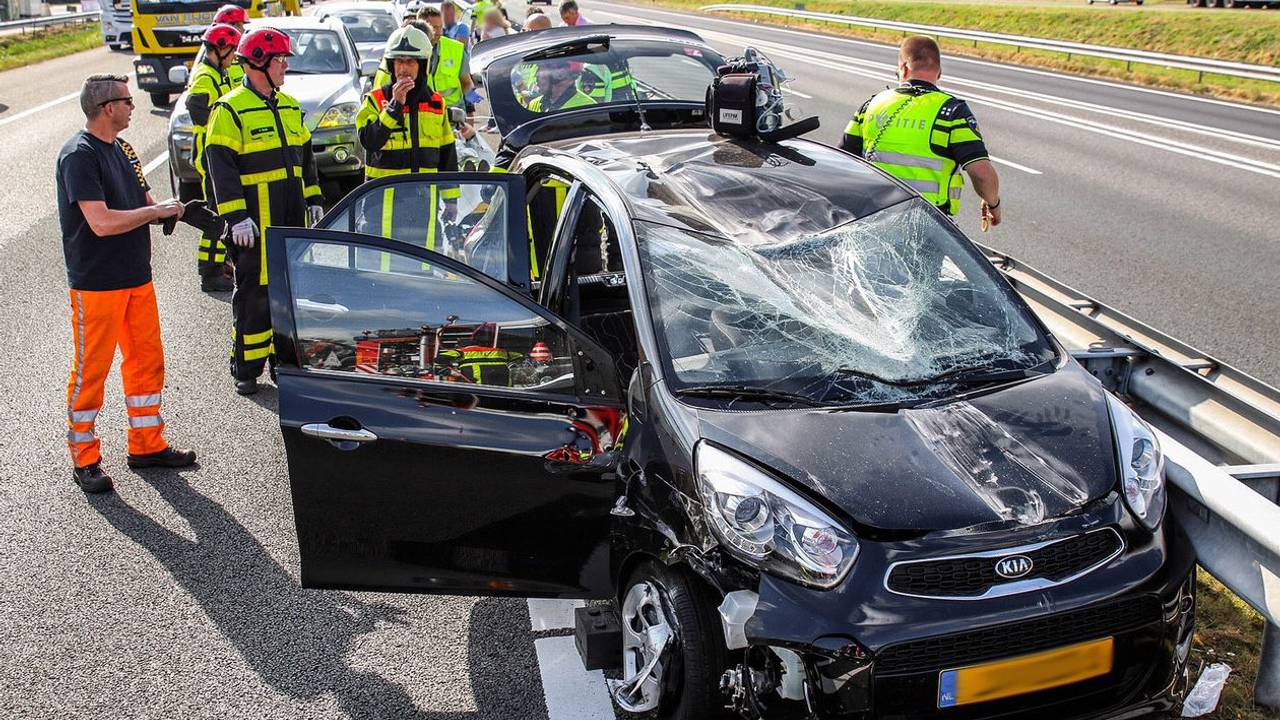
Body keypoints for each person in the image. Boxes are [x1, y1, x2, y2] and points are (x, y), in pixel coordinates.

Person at [57, 74, 197, 493]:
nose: (133, 108)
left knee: (146, 363)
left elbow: (144, 199)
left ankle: (147, 446)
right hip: (97, 284)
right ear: (107, 108)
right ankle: (85, 460)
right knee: (91, 373)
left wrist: (173, 210)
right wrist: (154, 215)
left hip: (137, 277)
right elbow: (100, 223)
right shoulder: (79, 156)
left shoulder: (124, 147)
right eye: (127, 101)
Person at [205, 28, 325, 395]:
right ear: (259, 62)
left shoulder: (289, 105)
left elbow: (306, 160)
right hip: (254, 226)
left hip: (290, 223)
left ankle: (283, 364)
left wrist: (315, 199)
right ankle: (246, 367)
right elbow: (219, 167)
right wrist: (236, 216)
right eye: (281, 60)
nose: (286, 66)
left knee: (288, 296)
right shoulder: (229, 110)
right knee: (254, 298)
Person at [841, 36, 1001, 227]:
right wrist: (993, 204)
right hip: (927, 226)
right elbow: (981, 174)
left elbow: (842, 161)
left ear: (904, 69)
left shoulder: (871, 105)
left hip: (872, 221)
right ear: (939, 72)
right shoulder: (951, 112)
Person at [356, 24, 460, 261]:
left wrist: (451, 201)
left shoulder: (436, 104)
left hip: (425, 208)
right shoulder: (374, 100)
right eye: (399, 61)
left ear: (422, 65)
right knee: (381, 270)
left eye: (410, 62)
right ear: (391, 64)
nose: (403, 68)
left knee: (422, 271)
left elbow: (447, 155)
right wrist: (394, 106)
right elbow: (369, 141)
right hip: (381, 210)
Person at [186, 23, 241, 292]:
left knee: (220, 212)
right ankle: (209, 273)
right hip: (209, 153)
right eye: (231, 51)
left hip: (213, 149)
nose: (233, 57)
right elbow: (195, 106)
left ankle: (219, 263)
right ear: (220, 49)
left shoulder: (218, 73)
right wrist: (218, 123)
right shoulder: (206, 76)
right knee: (216, 214)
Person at [419, 6, 472, 110]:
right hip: (424, 114)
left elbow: (466, 82)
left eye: (440, 27)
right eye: (434, 27)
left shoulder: (455, 48)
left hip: (453, 112)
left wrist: (471, 103)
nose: (438, 32)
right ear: (421, 28)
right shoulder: (410, 52)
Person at [530, 60, 596, 111]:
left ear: (561, 74)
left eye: (542, 70)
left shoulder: (588, 107)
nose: (536, 75)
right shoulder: (534, 104)